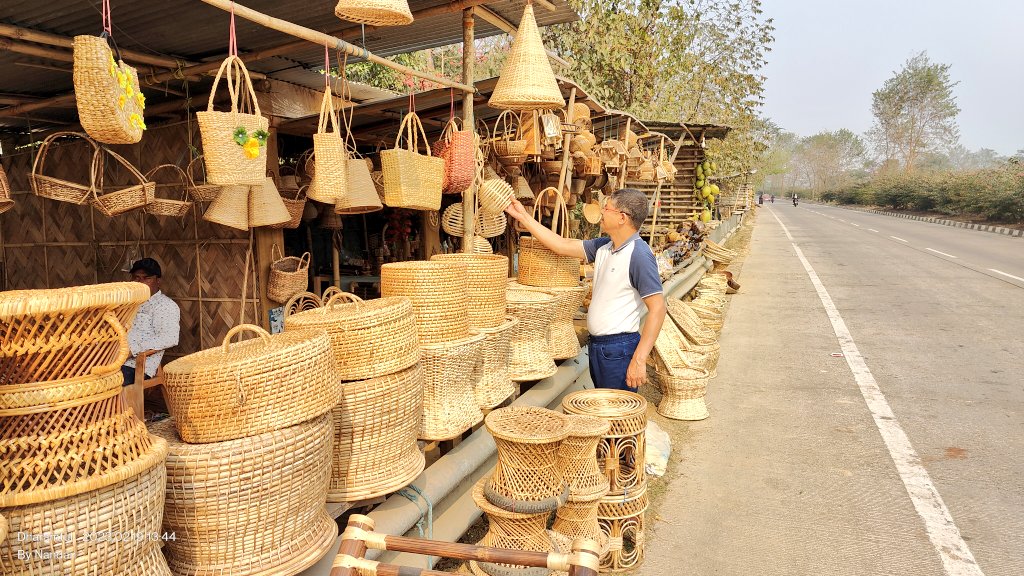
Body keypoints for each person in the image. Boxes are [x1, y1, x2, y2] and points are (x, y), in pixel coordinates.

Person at [505, 188, 666, 391]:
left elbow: (658, 309)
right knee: (603, 410)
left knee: (616, 413)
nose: (601, 213)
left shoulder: (639, 255)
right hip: (600, 347)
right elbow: (561, 245)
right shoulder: (604, 246)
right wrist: (524, 217)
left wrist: (639, 360)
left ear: (622, 218)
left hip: (619, 349)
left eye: (607, 209)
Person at [121, 258, 180, 385]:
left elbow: (169, 337)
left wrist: (132, 351)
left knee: (105, 385)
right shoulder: (128, 303)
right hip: (113, 360)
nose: (140, 282)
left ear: (158, 281)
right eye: (136, 278)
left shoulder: (165, 306)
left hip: (135, 366)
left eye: (147, 278)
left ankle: (119, 405)